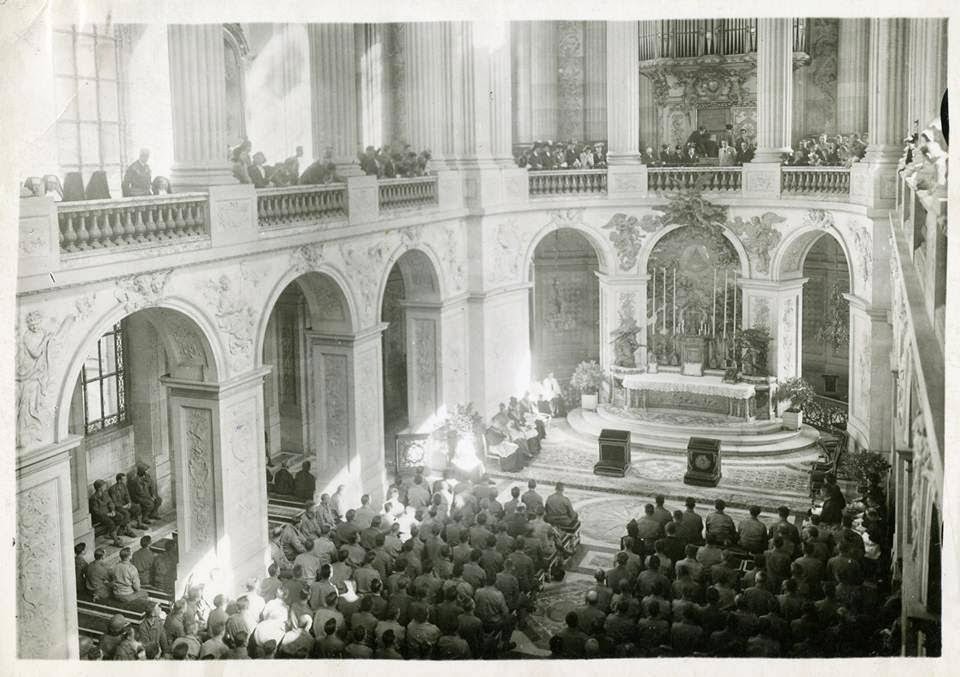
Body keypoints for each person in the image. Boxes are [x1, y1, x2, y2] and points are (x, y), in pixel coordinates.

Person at [89, 479, 130, 546]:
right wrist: (107, 514)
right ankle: (116, 541)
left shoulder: (105, 494)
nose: (105, 487)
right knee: (111, 523)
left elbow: (111, 503)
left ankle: (111, 534)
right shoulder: (93, 498)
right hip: (99, 516)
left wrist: (112, 510)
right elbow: (95, 511)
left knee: (120, 517)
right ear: (99, 488)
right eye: (104, 486)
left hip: (109, 513)